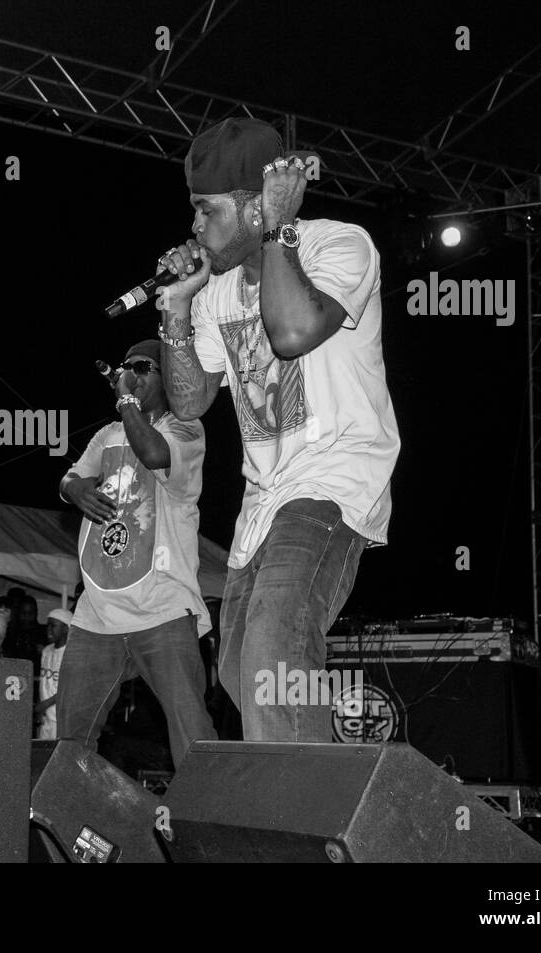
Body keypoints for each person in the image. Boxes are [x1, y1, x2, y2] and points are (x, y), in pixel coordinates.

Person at [157, 118, 399, 743]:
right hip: (263, 500)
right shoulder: (215, 293)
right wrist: (178, 309)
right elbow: (187, 403)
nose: (195, 228)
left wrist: (278, 227)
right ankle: (338, 802)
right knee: (242, 674)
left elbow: (292, 335)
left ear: (253, 204)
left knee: (273, 652)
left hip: (331, 481)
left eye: (206, 211)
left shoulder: (338, 245)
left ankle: (302, 825)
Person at [56, 340, 215, 769]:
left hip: (161, 607)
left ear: (168, 379)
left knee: (190, 731)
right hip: (97, 615)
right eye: (127, 368)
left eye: (143, 368)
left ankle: (201, 824)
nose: (132, 374)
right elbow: (69, 480)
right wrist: (77, 490)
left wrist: (125, 397)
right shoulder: (106, 436)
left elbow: (152, 453)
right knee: (70, 741)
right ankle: (67, 828)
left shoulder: (185, 429)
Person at [35, 610, 72, 740]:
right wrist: (41, 709)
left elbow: (68, 688)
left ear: (66, 629)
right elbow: (43, 683)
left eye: (53, 625)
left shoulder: (70, 654)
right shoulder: (46, 651)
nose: (49, 629)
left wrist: (43, 705)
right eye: (48, 625)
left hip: (61, 719)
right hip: (46, 717)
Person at [3, 596, 45, 679]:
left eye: (30, 613)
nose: (27, 617)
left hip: (37, 680)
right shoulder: (10, 633)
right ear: (18, 613)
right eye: (23, 613)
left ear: (36, 613)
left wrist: (45, 651)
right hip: (15, 678)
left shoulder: (44, 632)